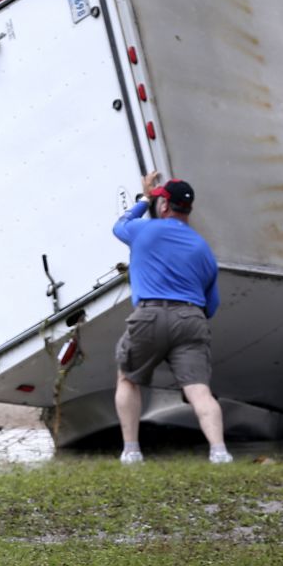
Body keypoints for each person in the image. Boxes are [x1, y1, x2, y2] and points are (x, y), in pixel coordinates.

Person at [111, 170, 230, 465]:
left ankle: (131, 451)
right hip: (191, 318)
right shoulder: (203, 248)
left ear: (163, 206)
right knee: (199, 390)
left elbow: (120, 225)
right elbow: (211, 305)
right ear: (187, 209)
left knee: (127, 378)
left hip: (150, 315)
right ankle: (219, 452)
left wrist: (144, 198)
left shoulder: (143, 231)